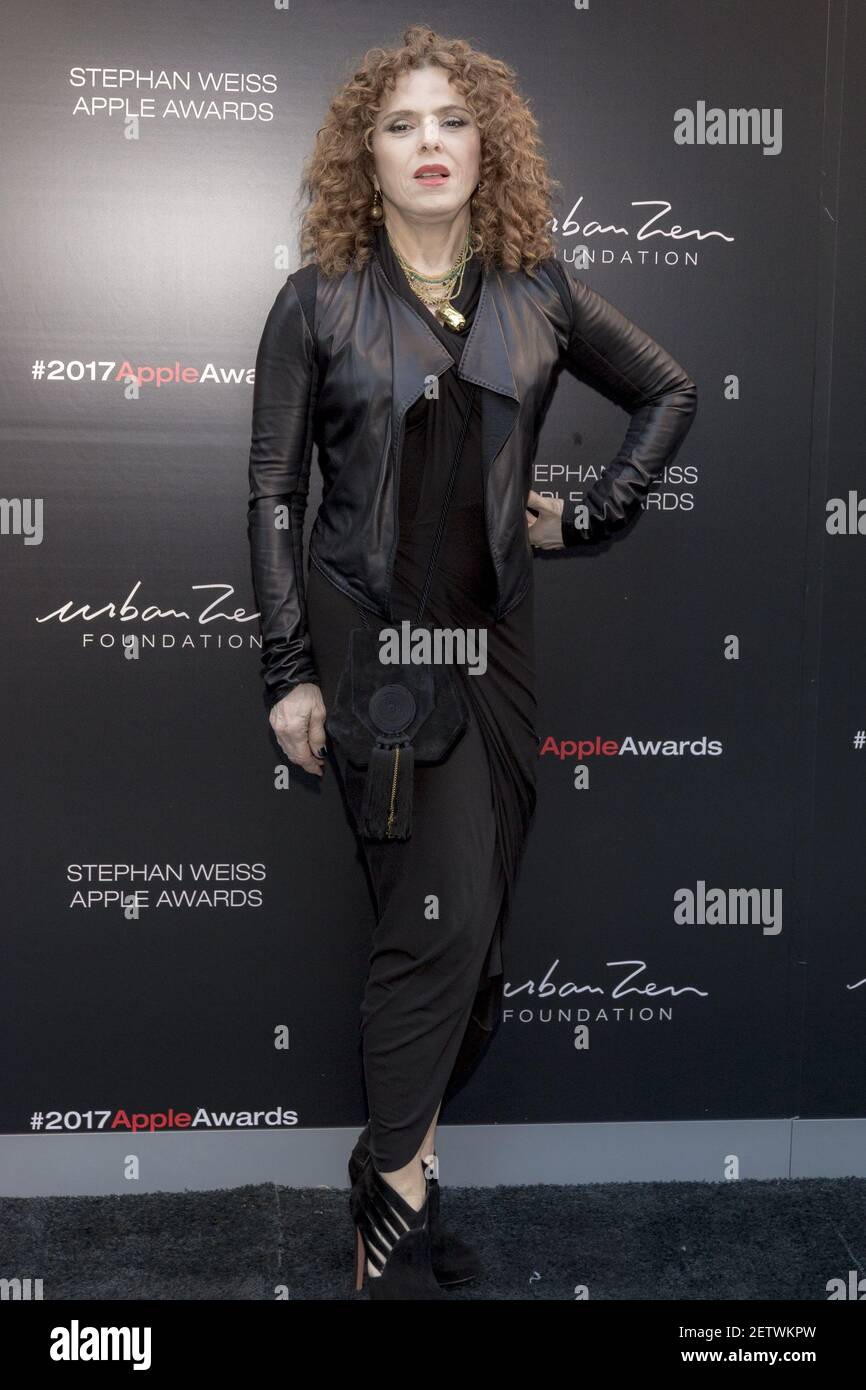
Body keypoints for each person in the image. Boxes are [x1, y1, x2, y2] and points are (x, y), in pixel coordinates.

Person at [246, 25, 698, 1300]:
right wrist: (290, 669)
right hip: (371, 646)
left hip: (493, 645)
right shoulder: (318, 299)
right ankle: (388, 1226)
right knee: (431, 931)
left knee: (474, 933)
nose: (429, 142)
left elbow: (668, 390)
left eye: (451, 120)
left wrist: (590, 512)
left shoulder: (536, 286)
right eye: (401, 124)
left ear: (482, 142)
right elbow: (273, 496)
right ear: (365, 157)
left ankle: (404, 1169)